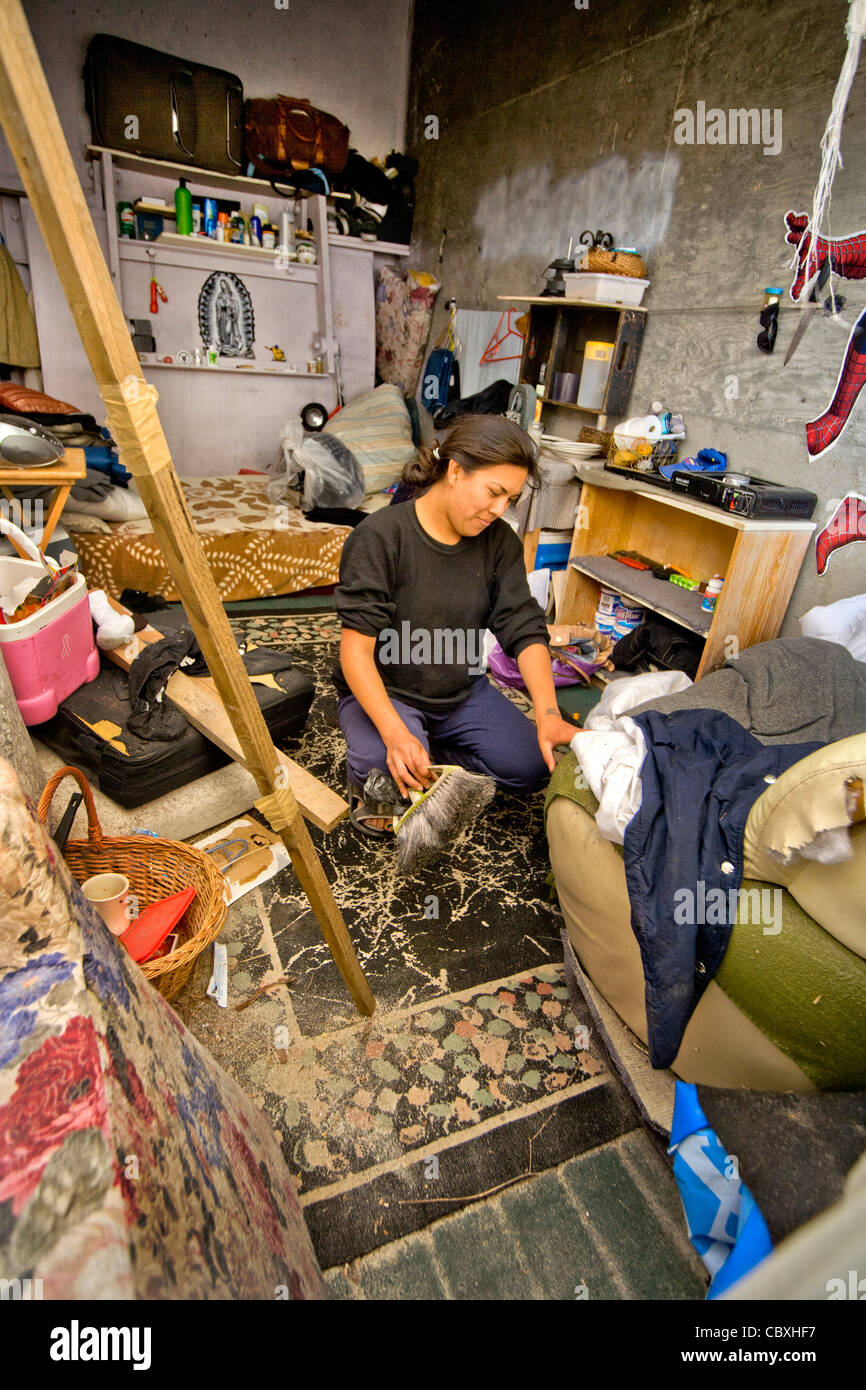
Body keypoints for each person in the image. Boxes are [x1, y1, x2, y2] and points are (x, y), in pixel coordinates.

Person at [333, 414, 579, 835]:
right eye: (494, 492)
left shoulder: (500, 542)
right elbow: (354, 653)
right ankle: (398, 744)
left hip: (461, 693)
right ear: (456, 470)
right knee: (385, 806)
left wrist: (548, 713)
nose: (500, 510)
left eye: (511, 499)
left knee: (535, 767)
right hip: (388, 693)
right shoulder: (379, 537)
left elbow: (524, 627)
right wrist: (395, 734)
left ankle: (428, 745)